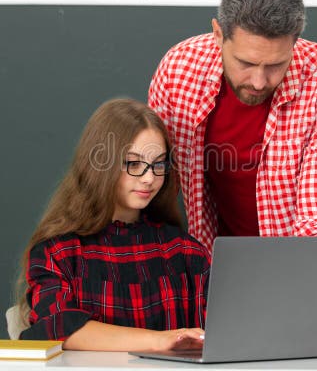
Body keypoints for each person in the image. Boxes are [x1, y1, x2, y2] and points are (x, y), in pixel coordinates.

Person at [148, 0, 317, 352]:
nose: (259, 81)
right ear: (218, 34)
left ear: (295, 42)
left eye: (275, 65)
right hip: (219, 272)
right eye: (246, 62)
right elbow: (153, 180)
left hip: (310, 271)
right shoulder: (179, 71)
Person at [15, 98, 209, 352]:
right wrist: (160, 340)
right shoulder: (58, 252)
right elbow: (56, 327)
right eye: (133, 163)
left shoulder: (186, 251)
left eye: (158, 164)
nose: (149, 178)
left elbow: (224, 330)